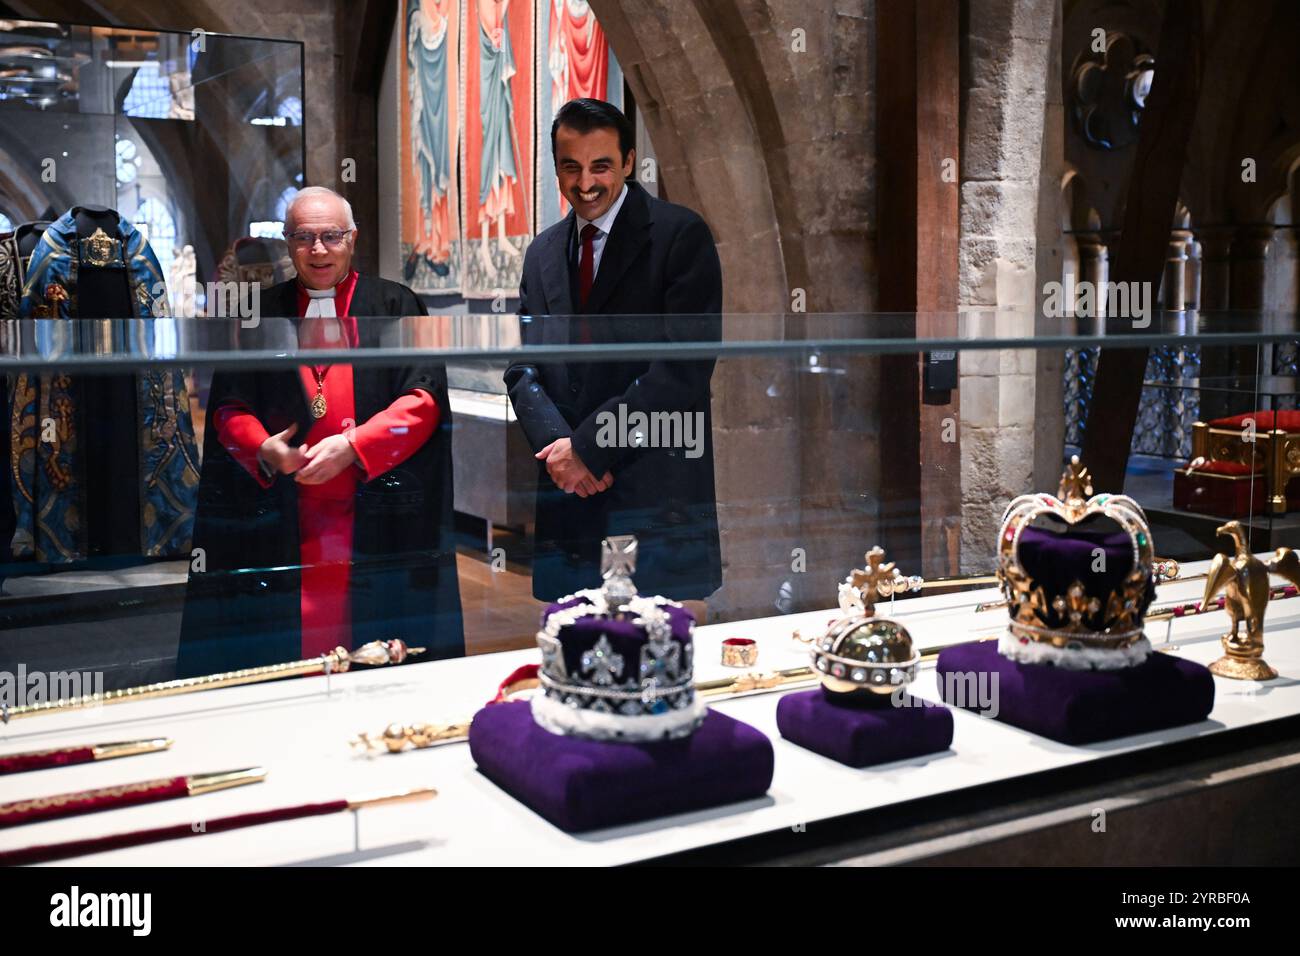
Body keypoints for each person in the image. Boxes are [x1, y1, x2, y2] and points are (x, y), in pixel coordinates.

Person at [177, 186, 462, 676]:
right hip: (283, 514)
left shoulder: (395, 304)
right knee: (282, 657)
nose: (318, 250)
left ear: (352, 239)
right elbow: (228, 404)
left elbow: (424, 398)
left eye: (331, 236)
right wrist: (262, 447)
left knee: (374, 651)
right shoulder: (258, 313)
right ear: (287, 243)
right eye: (304, 237)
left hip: (375, 511)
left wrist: (355, 446)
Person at [505, 98, 722, 605]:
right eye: (571, 167)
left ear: (628, 162)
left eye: (601, 165)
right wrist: (562, 451)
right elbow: (523, 366)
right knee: (572, 648)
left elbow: (681, 370)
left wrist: (588, 448)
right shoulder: (541, 252)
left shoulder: (679, 236)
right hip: (567, 490)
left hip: (647, 484)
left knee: (653, 650)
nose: (586, 183)